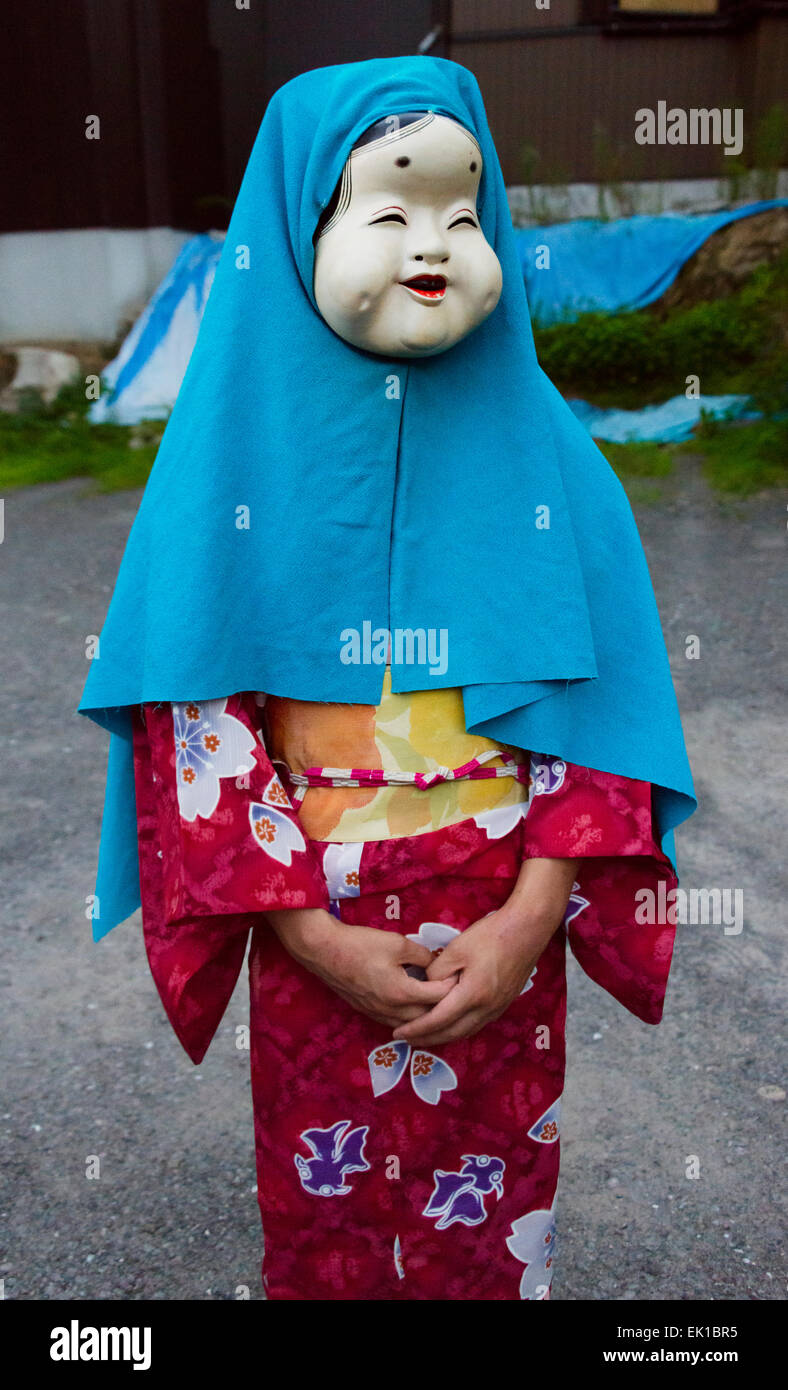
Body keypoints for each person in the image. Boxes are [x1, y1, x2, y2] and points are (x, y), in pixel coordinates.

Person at [79, 57, 695, 1301]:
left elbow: (603, 710)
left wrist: (531, 916)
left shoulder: (555, 465)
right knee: (323, 1223)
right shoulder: (227, 467)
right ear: (297, 222)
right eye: (392, 210)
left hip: (500, 904)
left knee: (496, 1209)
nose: (435, 245)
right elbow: (197, 717)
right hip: (316, 910)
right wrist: (305, 930)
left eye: (465, 216)